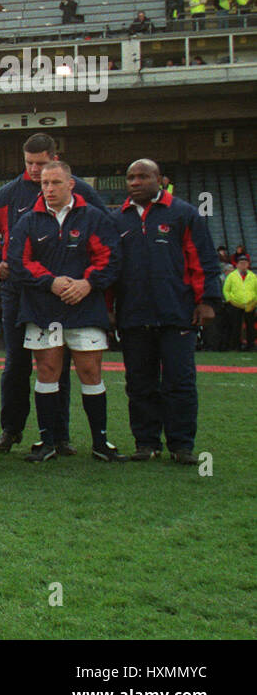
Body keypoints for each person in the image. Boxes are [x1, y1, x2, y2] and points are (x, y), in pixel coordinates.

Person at [0, 133, 106, 455]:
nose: (37, 172)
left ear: (56, 157)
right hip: (19, 290)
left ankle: (58, 436)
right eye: (30, 164)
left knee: (58, 363)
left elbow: (103, 231)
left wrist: (85, 281)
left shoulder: (80, 190)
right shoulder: (8, 194)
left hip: (69, 293)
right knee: (16, 365)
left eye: (42, 164)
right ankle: (11, 430)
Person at [7, 161, 126, 463]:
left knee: (90, 372)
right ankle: (47, 442)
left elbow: (110, 258)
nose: (48, 189)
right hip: (43, 309)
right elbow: (19, 262)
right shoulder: (28, 220)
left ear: (71, 184)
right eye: (44, 183)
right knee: (48, 372)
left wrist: (87, 284)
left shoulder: (94, 218)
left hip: (84, 308)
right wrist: (52, 282)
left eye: (55, 183)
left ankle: (101, 442)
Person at [112, 159, 221, 465]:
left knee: (179, 381)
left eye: (143, 176)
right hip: (134, 316)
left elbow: (203, 260)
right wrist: (108, 309)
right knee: (139, 383)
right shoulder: (117, 219)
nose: (135, 182)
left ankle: (181, 444)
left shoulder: (184, 213)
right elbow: (110, 269)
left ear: (159, 179)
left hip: (178, 314)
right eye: (131, 177)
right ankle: (146, 443)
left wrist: (207, 301)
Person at [222, 255, 257, 350]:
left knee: (250, 326)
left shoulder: (253, 276)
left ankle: (251, 345)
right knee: (236, 326)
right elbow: (226, 290)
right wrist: (230, 300)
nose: (243, 265)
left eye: (245, 263)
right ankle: (236, 346)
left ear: (248, 265)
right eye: (241, 263)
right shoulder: (231, 276)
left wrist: (255, 301)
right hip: (235, 304)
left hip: (250, 304)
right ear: (237, 265)